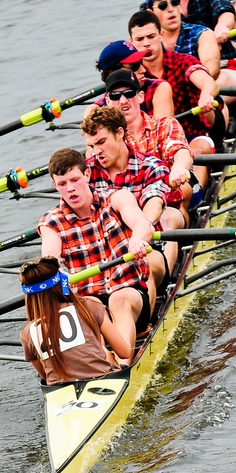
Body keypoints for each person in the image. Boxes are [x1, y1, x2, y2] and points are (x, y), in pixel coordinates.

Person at [39, 148, 154, 362]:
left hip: (130, 294)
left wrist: (137, 239)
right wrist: (50, 272)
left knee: (118, 299)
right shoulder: (51, 222)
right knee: (89, 306)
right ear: (55, 186)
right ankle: (103, 367)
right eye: (62, 184)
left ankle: (123, 366)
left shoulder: (117, 198)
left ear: (87, 175)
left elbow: (142, 224)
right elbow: (50, 258)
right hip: (92, 303)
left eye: (75, 180)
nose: (70, 189)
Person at [81, 102, 183, 275]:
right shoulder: (86, 175)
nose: (96, 152)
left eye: (101, 142)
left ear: (120, 133)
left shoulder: (152, 167)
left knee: (166, 218)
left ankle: (167, 277)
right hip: (107, 249)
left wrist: (141, 232)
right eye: (91, 146)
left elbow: (154, 204)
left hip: (147, 244)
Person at [127, 10, 223, 186]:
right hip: (154, 147)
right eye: (140, 40)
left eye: (151, 36)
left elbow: (207, 80)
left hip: (193, 136)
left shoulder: (183, 61)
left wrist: (205, 94)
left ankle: (196, 198)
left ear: (161, 35)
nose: (146, 44)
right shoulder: (132, 78)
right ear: (131, 42)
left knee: (196, 152)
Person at [103, 66, 194, 223]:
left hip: (168, 203)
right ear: (107, 101)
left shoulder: (164, 125)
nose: (123, 101)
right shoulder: (105, 140)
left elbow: (180, 150)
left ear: (140, 97)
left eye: (129, 94)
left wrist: (179, 167)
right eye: (116, 96)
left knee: (167, 216)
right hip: (127, 213)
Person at [19, 257, 131, 384]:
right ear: (63, 284)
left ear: (28, 297)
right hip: (102, 381)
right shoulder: (88, 307)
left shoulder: (27, 333)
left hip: (60, 392)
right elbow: (125, 353)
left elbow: (45, 376)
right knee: (106, 352)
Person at [145, 0, 236, 101]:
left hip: (211, 86)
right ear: (151, 13)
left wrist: (190, 85)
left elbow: (211, 66)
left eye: (175, 2)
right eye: (163, 5)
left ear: (180, 6)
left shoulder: (201, 33)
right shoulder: (147, 44)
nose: (170, 9)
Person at [95, 39, 174, 119]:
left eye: (141, 62)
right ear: (113, 73)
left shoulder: (159, 88)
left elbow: (164, 129)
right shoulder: (96, 110)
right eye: (135, 66)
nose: (144, 70)